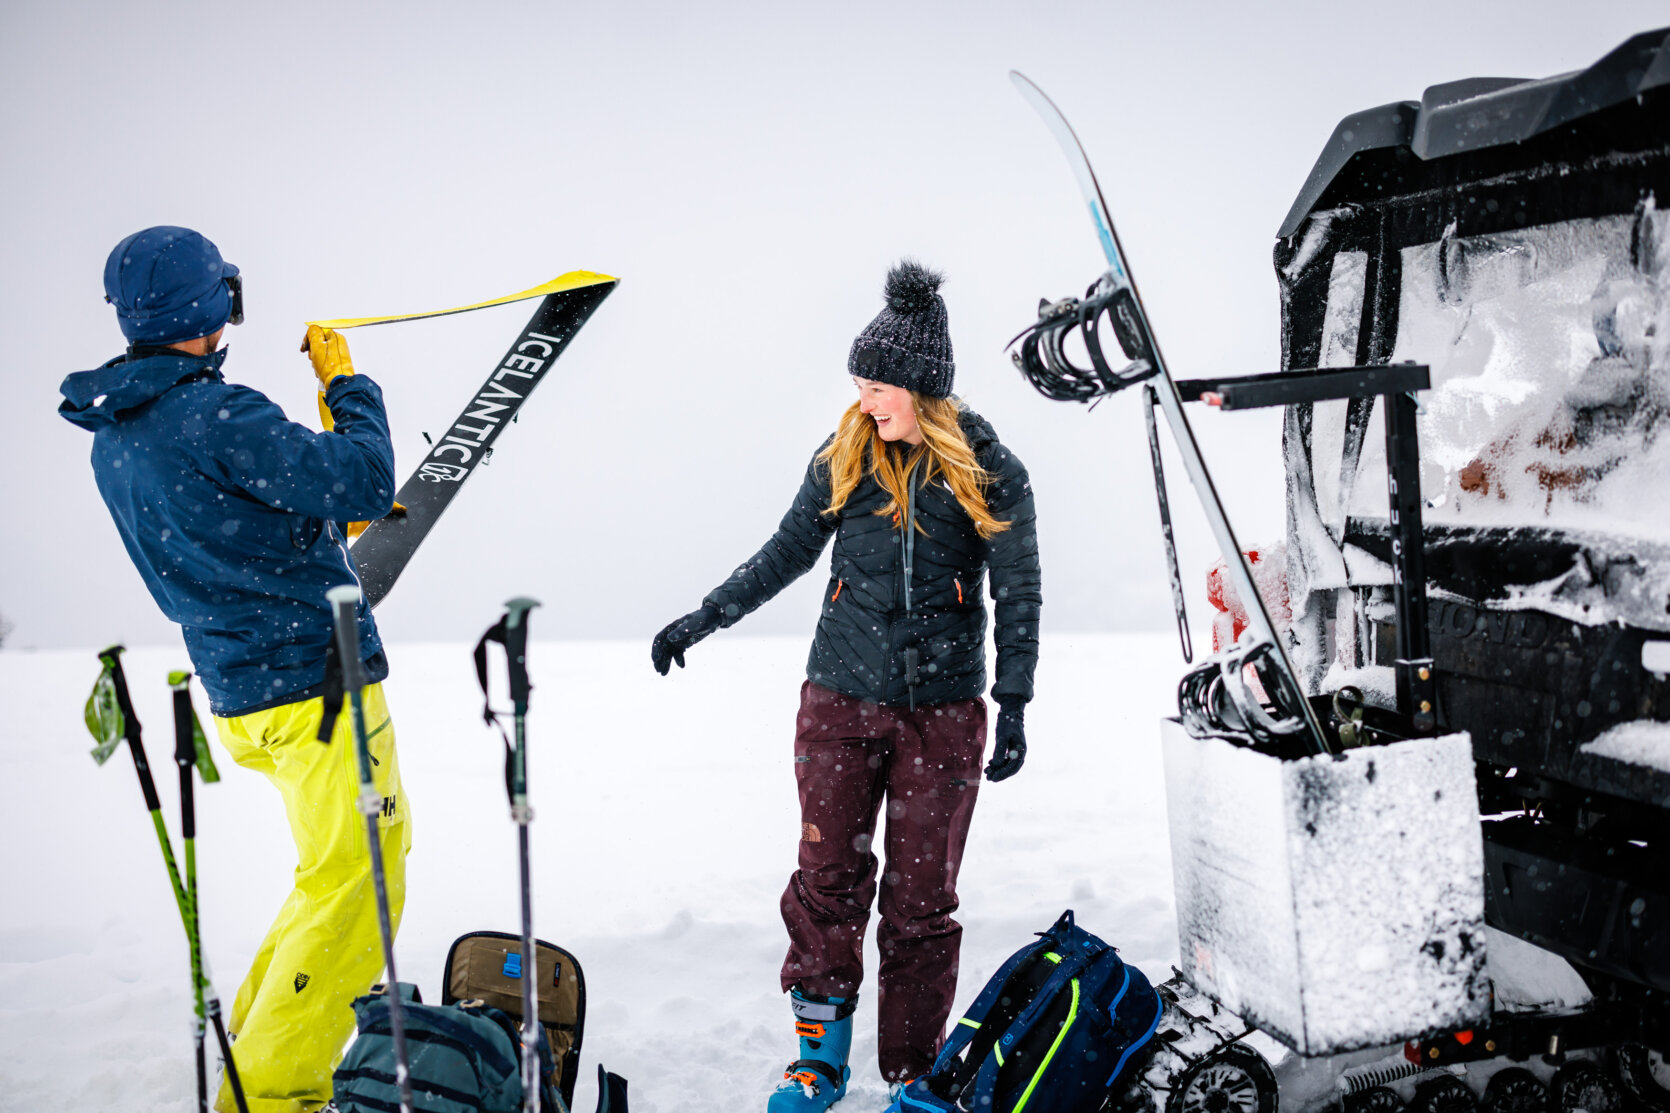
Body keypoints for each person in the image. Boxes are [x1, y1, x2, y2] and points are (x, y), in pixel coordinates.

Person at [651, 260, 1042, 1111]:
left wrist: (1014, 701)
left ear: (921, 387)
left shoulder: (987, 468)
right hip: (839, 697)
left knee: (921, 899)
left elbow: (1020, 585)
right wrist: (704, 616)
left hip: (942, 711)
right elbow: (785, 552)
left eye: (879, 385)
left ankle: (913, 1074)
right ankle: (817, 1058)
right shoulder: (843, 456)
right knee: (827, 876)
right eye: (860, 383)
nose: (867, 399)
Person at [59, 226, 410, 1113]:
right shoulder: (220, 413)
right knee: (363, 885)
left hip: (245, 693)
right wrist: (348, 389)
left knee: (326, 880)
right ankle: (274, 1093)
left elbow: (218, 531)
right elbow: (367, 479)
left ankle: (255, 1072)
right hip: (317, 686)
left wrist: (307, 529)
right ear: (213, 306)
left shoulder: (119, 437)